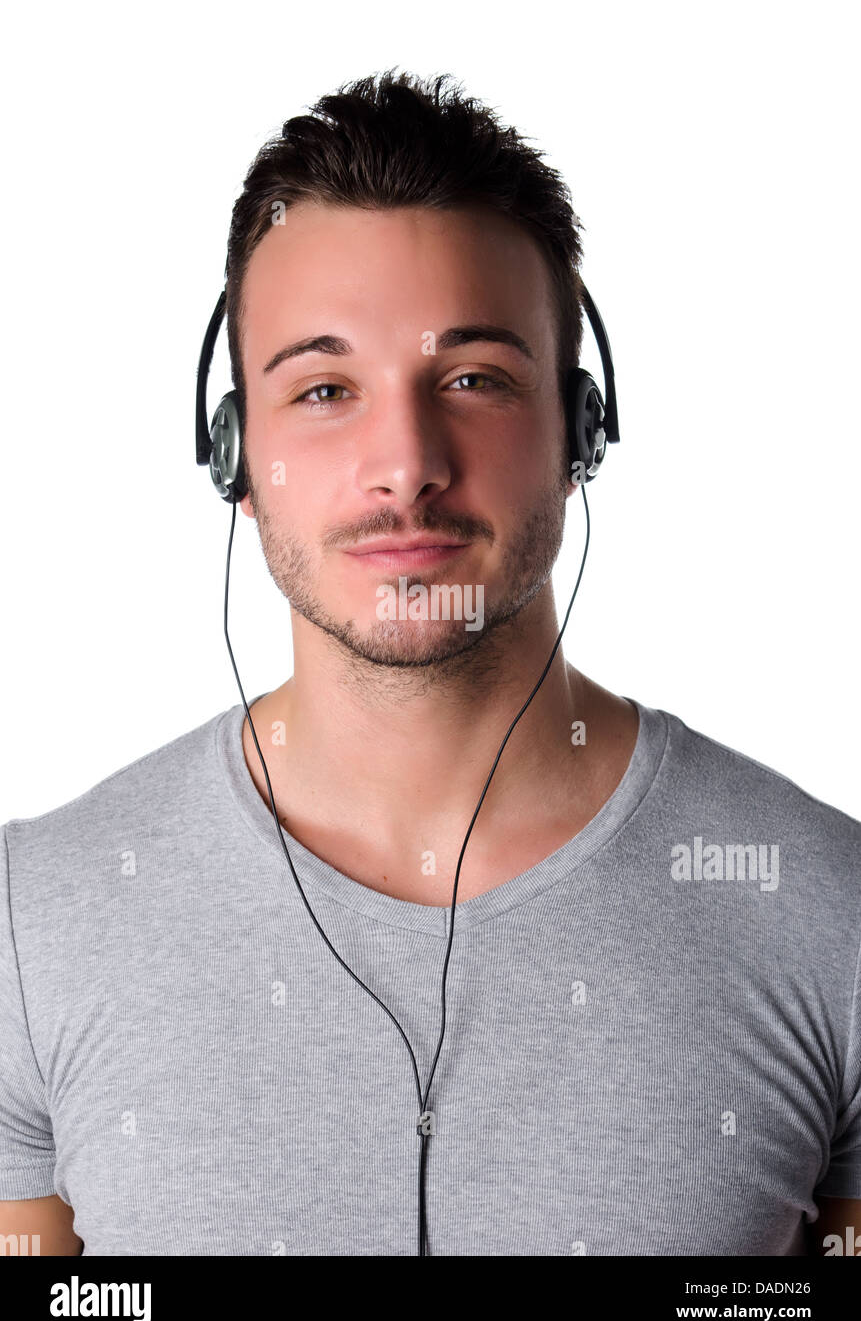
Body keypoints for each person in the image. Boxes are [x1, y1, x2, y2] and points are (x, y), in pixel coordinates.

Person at [1, 70, 858, 1258]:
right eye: (324, 388)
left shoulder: (828, 909)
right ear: (234, 454)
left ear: (580, 431)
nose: (405, 464)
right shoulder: (30, 921)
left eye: (472, 379)